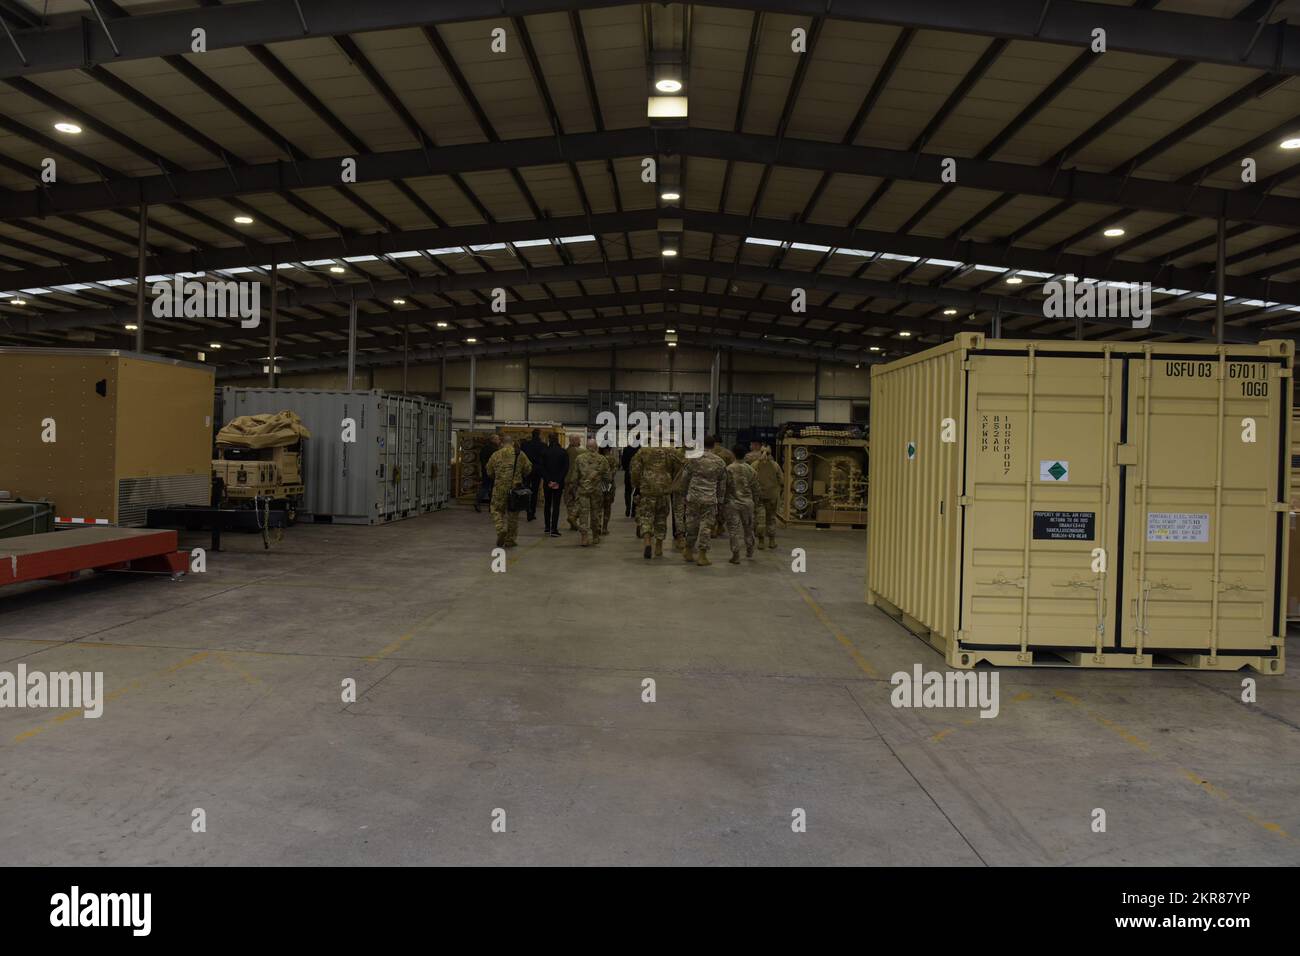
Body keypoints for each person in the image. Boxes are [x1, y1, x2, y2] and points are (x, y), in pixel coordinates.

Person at [630, 434, 681, 559]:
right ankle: (659, 546)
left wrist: (636, 484)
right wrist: (673, 483)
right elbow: (682, 466)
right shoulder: (671, 451)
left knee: (646, 517)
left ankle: (647, 542)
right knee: (661, 517)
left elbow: (635, 470)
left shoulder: (643, 451)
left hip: (647, 489)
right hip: (664, 489)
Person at [680, 435, 726, 566]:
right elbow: (722, 484)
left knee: (691, 524)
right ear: (714, 446)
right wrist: (721, 499)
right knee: (706, 526)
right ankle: (702, 555)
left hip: (693, 497)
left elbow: (685, 478)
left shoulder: (693, 458)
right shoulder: (720, 462)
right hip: (709, 499)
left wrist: (684, 494)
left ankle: (688, 550)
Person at [486, 435, 531, 548]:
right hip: (515, 489)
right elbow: (528, 469)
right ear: (512, 442)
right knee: (513, 514)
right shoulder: (519, 454)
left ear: (502, 442)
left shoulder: (496, 454)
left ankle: (500, 529)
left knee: (496, 509)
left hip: (499, 487)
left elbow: (489, 471)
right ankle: (510, 540)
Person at [573, 438, 610, 547]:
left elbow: (575, 476)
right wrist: (605, 488)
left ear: (586, 447)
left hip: (583, 490)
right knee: (596, 513)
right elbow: (608, 477)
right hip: (596, 491)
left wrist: (574, 488)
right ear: (596, 447)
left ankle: (584, 537)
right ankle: (595, 536)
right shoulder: (602, 459)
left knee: (584, 513)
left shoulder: (579, 458)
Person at [724, 457, 759, 563]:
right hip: (747, 503)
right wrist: (755, 503)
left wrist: (723, 501)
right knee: (748, 528)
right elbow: (756, 488)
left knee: (733, 530)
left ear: (734, 455)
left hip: (732, 503)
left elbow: (724, 486)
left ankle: (736, 555)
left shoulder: (728, 468)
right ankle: (750, 549)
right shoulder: (751, 469)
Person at [750, 447, 783, 550]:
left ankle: (761, 542)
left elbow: (750, 480)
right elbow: (781, 481)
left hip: (759, 496)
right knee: (771, 519)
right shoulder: (775, 465)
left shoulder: (754, 465)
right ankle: (772, 541)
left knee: (760, 519)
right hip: (772, 496)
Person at [540, 432, 568, 537]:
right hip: (558, 483)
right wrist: (557, 481)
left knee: (547, 505)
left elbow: (541, 468)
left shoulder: (544, 452)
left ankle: (547, 527)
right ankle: (554, 529)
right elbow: (565, 468)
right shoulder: (563, 452)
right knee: (556, 506)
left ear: (549, 440)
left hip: (547, 483)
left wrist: (548, 481)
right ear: (558, 440)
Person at [520, 428, 547, 522]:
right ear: (539, 435)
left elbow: (521, 457)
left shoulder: (525, 444)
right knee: (535, 492)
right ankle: (532, 512)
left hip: (527, 470)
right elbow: (544, 459)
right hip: (537, 471)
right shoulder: (543, 445)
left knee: (526, 490)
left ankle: (527, 510)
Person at [474, 433, 501, 513]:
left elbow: (481, 459)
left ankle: (478, 502)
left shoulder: (484, 447)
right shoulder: (494, 449)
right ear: (493, 440)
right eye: (497, 439)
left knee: (485, 486)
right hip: (492, 471)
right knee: (491, 488)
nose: (499, 440)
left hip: (485, 470)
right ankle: (490, 506)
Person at [562, 434, 583, 529]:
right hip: (577, 481)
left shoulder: (565, 452)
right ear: (574, 441)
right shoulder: (581, 452)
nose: (580, 442)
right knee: (579, 501)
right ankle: (573, 517)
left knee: (569, 502)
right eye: (578, 440)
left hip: (567, 481)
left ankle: (572, 522)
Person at [600, 444, 619, 535]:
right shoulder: (612, 459)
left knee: (598, 506)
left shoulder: (598, 458)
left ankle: (597, 526)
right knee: (607, 506)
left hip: (599, 484)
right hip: (609, 485)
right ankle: (604, 527)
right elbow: (614, 472)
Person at [621, 443, 638, 516]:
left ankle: (628, 507)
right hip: (637, 472)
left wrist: (626, 468)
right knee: (636, 491)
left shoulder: (626, 449)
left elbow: (623, 462)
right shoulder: (640, 449)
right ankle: (634, 509)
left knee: (627, 491)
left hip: (628, 471)